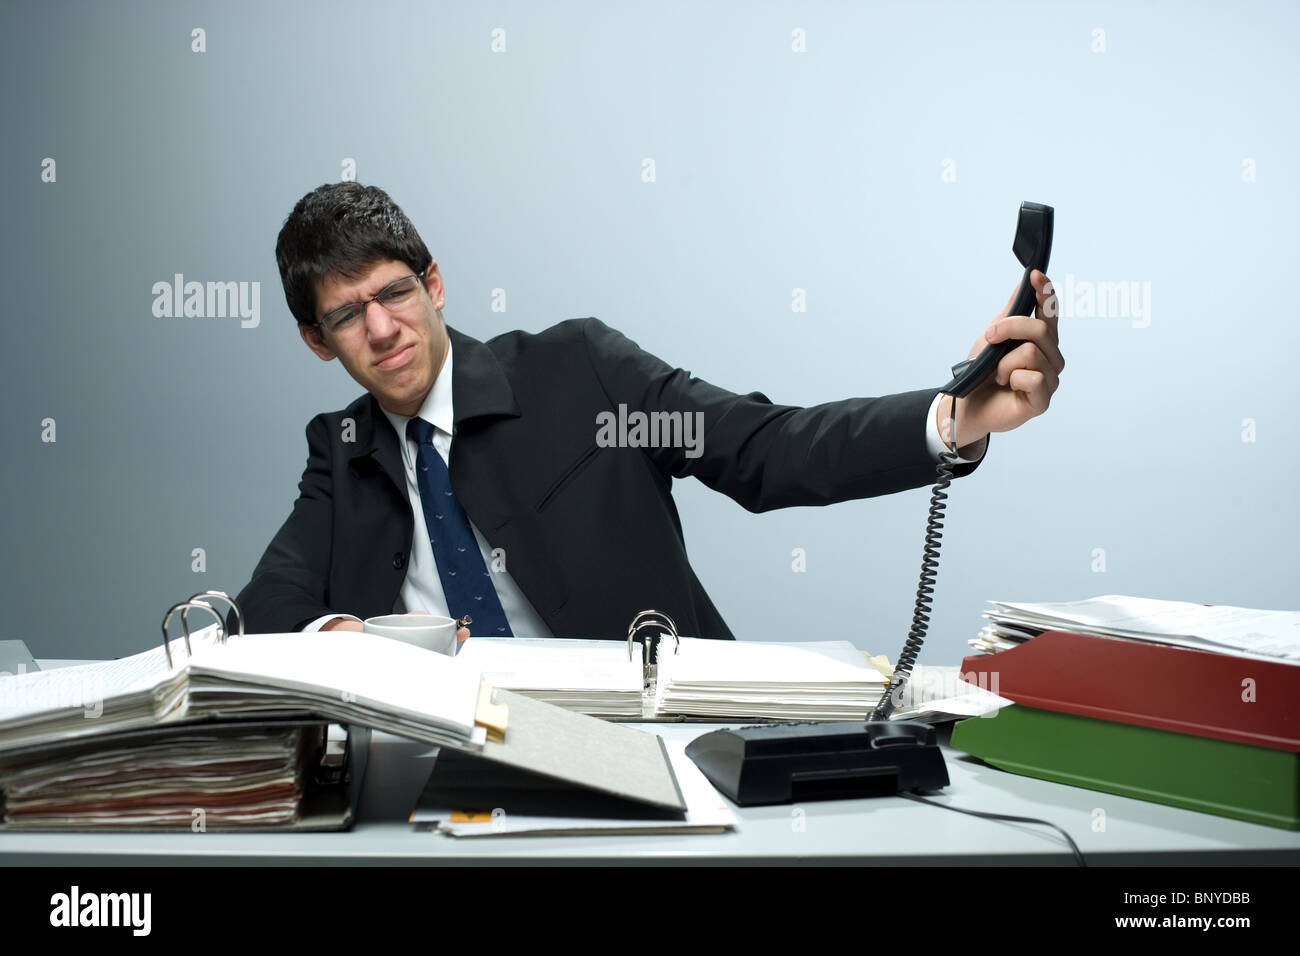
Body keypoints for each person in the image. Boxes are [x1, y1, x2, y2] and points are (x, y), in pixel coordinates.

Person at [235, 182, 1062, 641]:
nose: (381, 330)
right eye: (347, 315)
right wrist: (337, 638)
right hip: (444, 775)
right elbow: (270, 599)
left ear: (435, 285)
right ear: (318, 341)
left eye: (394, 293)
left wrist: (956, 416)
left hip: (652, 743)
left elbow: (766, 449)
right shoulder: (342, 450)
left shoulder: (580, 374)